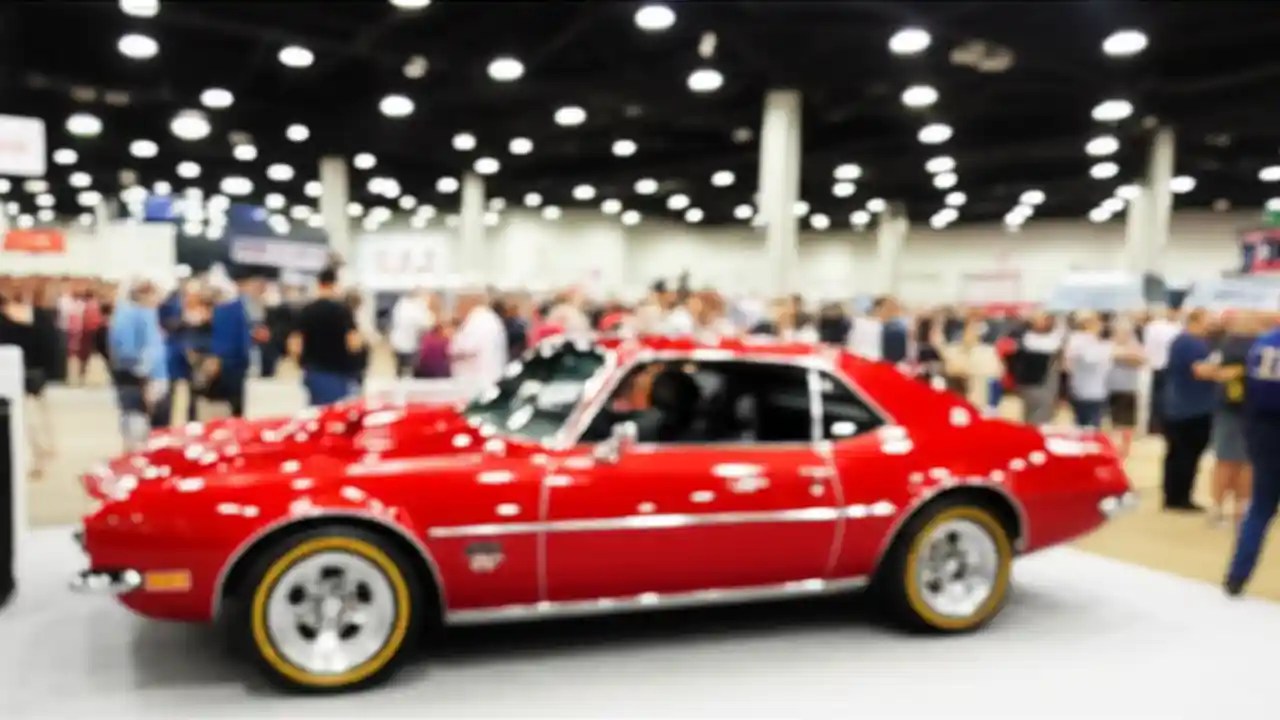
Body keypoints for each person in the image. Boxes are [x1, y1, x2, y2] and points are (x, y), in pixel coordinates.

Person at [1224, 311, 1280, 596]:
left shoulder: (1262, 343)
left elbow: (1249, 389)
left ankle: (1237, 575)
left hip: (1262, 430)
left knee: (1259, 507)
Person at [1160, 307, 1218, 512]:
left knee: (1178, 454)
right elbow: (1200, 370)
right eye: (1208, 319)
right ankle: (1180, 497)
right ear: (1196, 321)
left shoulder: (1183, 342)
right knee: (1186, 455)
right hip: (1191, 409)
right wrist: (1226, 373)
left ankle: (1174, 496)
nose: (1211, 323)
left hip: (1180, 406)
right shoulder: (1191, 344)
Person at [1205, 312, 1259, 526]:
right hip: (1233, 409)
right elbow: (1212, 370)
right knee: (1228, 460)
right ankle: (1219, 507)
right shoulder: (1227, 343)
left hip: (1253, 410)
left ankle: (1241, 506)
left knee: (1247, 461)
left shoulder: (1258, 342)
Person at [0, 290, 56, 479]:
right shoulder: (38, 316)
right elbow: (50, 345)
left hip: (12, 374)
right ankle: (44, 452)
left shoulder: (4, 321)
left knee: (23, 422)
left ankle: (34, 459)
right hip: (36, 373)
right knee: (38, 417)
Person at [107, 278, 167, 451]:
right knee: (137, 422)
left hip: (141, 376)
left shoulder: (130, 313)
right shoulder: (135, 315)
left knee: (135, 420)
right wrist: (145, 376)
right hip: (141, 378)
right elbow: (130, 350)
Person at [289, 268, 361, 406]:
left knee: (316, 414)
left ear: (318, 284)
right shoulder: (343, 311)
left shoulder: (306, 311)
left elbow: (295, 344)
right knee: (335, 415)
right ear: (335, 284)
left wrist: (300, 363)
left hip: (313, 371)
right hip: (338, 373)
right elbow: (354, 343)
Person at [206, 270, 262, 418]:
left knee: (231, 401)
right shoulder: (238, 307)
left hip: (231, 361)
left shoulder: (224, 310)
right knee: (237, 401)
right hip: (238, 361)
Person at [1007, 311, 1063, 425]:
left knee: (1036, 418)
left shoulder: (1028, 339)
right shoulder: (1028, 339)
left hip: (1038, 386)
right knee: (1036, 418)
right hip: (1036, 385)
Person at [449, 288, 508, 395]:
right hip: (489, 380)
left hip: (477, 384)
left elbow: (463, 348)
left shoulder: (477, 321)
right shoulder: (491, 319)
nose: (457, 309)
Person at [1065, 311, 1112, 428]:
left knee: (1082, 423)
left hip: (1084, 389)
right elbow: (1090, 358)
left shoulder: (1077, 340)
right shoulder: (1081, 340)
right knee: (1090, 426)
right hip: (1090, 391)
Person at [1106, 319, 1145, 460]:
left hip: (1128, 389)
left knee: (1128, 423)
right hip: (1110, 388)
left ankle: (1125, 450)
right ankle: (1111, 447)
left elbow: (1140, 360)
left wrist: (1123, 356)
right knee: (1112, 422)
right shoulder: (1109, 344)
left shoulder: (1135, 345)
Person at [1143, 307, 1182, 434]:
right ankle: (1165, 426)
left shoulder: (1152, 327)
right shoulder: (1177, 328)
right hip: (1168, 367)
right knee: (1167, 398)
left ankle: (1154, 427)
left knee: (1156, 398)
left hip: (1155, 366)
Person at [389, 288, 433, 378]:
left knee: (401, 370)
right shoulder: (417, 306)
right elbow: (426, 324)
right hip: (410, 345)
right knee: (411, 370)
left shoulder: (401, 304)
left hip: (399, 343)